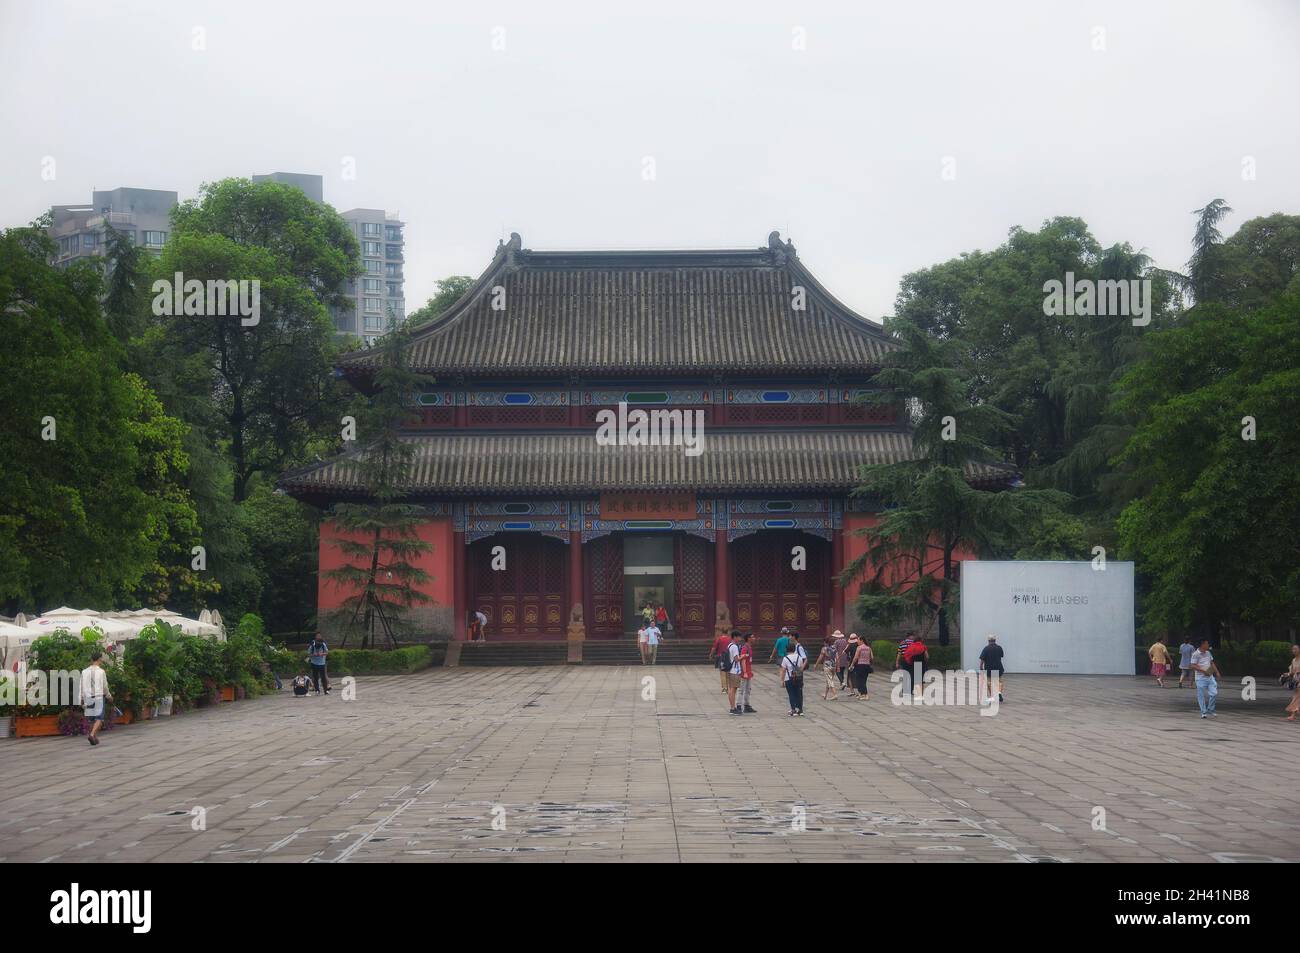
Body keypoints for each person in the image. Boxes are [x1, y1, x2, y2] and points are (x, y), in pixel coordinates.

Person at [81, 650, 112, 746]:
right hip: (98, 696)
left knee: (92, 719)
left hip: (88, 697)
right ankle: (92, 734)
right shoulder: (101, 671)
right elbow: (105, 686)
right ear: (99, 659)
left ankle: (94, 737)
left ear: (91, 659)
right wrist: (109, 696)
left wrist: (82, 698)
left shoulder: (84, 672)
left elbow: (82, 686)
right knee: (99, 718)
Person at [1189, 638, 1222, 718]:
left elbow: (1212, 663)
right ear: (1202, 644)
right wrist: (1203, 671)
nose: (1208, 645)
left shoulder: (1208, 653)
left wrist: (1217, 672)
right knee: (1201, 695)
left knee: (1214, 693)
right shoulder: (1195, 654)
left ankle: (1210, 709)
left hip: (1210, 677)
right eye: (1207, 644)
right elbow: (1192, 665)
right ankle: (1203, 712)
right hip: (1200, 678)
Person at [780, 638, 806, 715]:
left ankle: (793, 710)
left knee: (791, 694)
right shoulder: (799, 657)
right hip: (798, 678)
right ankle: (800, 710)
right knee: (799, 693)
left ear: (786, 650)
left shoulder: (785, 658)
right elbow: (801, 668)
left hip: (789, 678)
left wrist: (782, 680)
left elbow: (783, 670)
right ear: (794, 649)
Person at [978, 634, 1005, 702]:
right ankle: (999, 693)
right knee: (999, 682)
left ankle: (993, 696)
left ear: (988, 641)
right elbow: (1001, 656)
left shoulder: (986, 648)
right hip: (998, 667)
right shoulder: (999, 648)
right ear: (995, 640)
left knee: (989, 683)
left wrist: (981, 667)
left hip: (989, 668)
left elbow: (982, 659)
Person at [736, 632, 756, 713]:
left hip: (748, 671)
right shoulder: (745, 648)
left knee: (748, 689)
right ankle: (738, 706)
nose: (754, 638)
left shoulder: (749, 647)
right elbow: (743, 661)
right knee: (741, 689)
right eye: (752, 637)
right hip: (745, 672)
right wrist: (744, 672)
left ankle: (747, 705)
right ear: (748, 639)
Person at [815, 635, 839, 701]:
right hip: (833, 665)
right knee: (829, 680)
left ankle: (835, 694)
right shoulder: (834, 648)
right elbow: (837, 657)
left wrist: (816, 665)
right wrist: (838, 666)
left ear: (825, 642)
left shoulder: (824, 648)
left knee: (830, 680)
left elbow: (820, 658)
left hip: (827, 666)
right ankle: (825, 694)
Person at [726, 630, 745, 715]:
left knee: (731, 689)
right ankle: (733, 708)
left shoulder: (729, 645)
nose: (740, 639)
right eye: (739, 637)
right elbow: (736, 659)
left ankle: (732, 707)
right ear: (735, 637)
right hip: (735, 670)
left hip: (730, 669)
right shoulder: (734, 647)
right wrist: (743, 656)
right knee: (733, 689)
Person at [709, 628, 733, 694]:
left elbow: (714, 648)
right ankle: (729, 687)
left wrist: (711, 655)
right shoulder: (730, 639)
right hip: (729, 657)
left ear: (721, 632)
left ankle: (724, 688)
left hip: (721, 657)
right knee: (728, 672)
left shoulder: (719, 639)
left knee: (722, 673)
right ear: (728, 632)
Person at [1282, 644, 1300, 721]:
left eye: (1296, 649)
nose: (1294, 651)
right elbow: (1292, 672)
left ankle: (1293, 714)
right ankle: (1295, 711)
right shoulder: (1293, 660)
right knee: (1296, 697)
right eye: (1293, 649)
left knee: (1297, 697)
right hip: (1296, 681)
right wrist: (1288, 674)